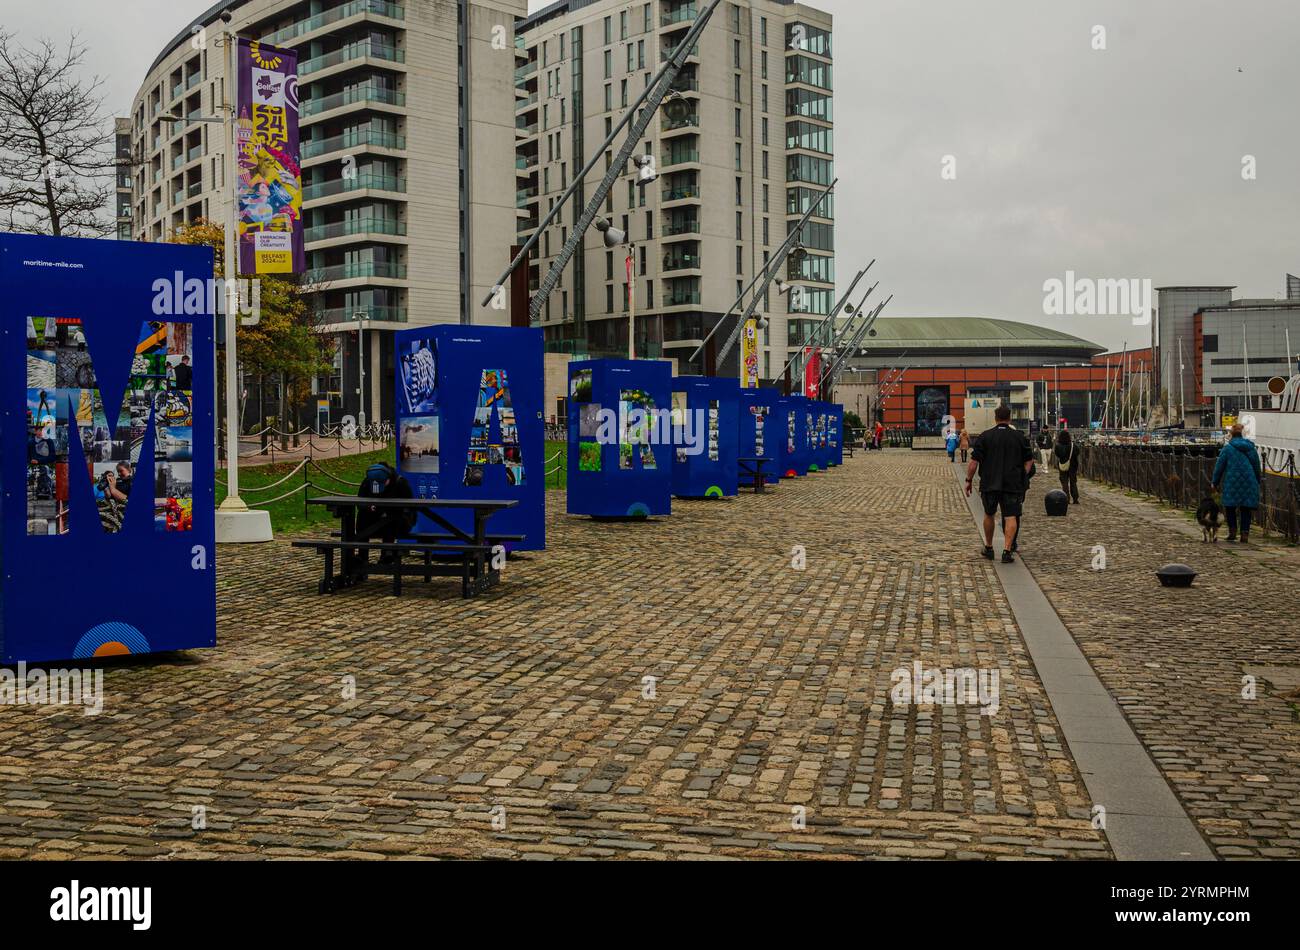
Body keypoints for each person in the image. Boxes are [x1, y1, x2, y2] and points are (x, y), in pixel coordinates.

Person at [965, 404, 1034, 564]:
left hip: (989, 482)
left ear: (996, 418)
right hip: (1012, 483)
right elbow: (1029, 460)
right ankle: (1007, 551)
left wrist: (968, 480)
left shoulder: (985, 436)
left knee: (989, 514)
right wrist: (1022, 475)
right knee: (1010, 516)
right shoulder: (1019, 437)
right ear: (1009, 418)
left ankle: (989, 548)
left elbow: (974, 462)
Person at [347, 461, 417, 581]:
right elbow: (360, 502)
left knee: (391, 518)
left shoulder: (400, 483)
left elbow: (410, 508)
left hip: (398, 523)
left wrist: (389, 509)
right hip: (375, 521)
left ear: (388, 479)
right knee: (362, 517)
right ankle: (362, 556)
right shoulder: (367, 482)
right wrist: (369, 507)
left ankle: (387, 552)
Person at [1212, 423, 1262, 543]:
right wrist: (1257, 480)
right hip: (1249, 480)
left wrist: (1215, 481)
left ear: (1231, 434)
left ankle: (1232, 532)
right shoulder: (1250, 448)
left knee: (1230, 507)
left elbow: (1219, 467)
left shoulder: (1227, 448)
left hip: (1231, 481)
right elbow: (1256, 465)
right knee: (1246, 508)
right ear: (1242, 433)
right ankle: (1244, 534)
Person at [1054, 429, 1080, 504]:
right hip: (1073, 465)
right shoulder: (1073, 445)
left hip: (1063, 465)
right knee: (1073, 481)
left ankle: (1066, 498)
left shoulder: (1058, 446)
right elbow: (1077, 452)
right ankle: (1075, 498)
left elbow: (1057, 454)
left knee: (1064, 482)